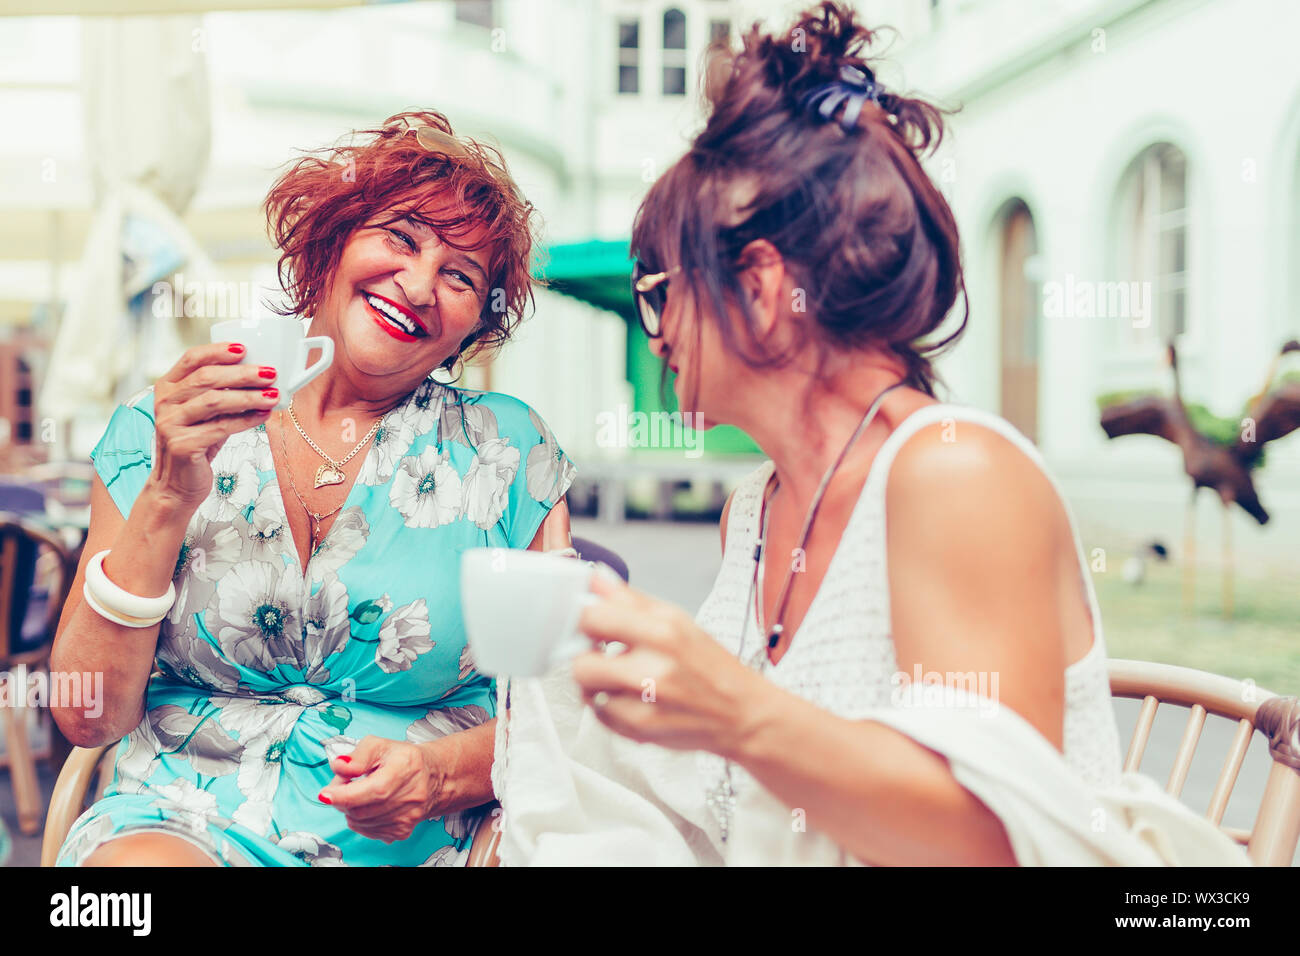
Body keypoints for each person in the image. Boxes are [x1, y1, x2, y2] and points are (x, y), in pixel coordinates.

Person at [565, 2, 1127, 865]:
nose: (655, 331)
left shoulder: (955, 474)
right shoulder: (753, 512)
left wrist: (736, 710)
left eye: (660, 290)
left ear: (758, 285)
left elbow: (994, 844)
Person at [49, 111, 576, 867]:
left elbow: (559, 718)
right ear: (332, 244)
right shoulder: (162, 427)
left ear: (473, 326)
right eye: (400, 237)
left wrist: (438, 776)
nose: (421, 283)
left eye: (461, 276)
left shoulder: (511, 454)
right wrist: (168, 496)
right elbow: (86, 717)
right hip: (179, 817)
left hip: (415, 836)